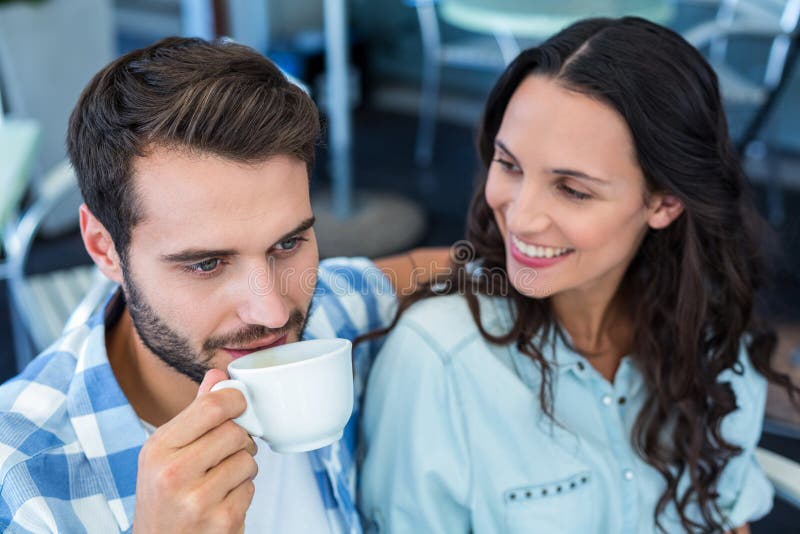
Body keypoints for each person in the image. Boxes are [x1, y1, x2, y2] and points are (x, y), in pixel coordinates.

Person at [359, 17, 800, 534]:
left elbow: (725, 519)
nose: (520, 218)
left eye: (572, 189)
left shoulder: (707, 328)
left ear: (665, 201)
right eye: (510, 164)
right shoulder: (438, 362)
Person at [0, 37, 446, 533]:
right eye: (208, 264)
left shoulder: (327, 314)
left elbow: (437, 268)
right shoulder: (21, 483)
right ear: (105, 249)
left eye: (287, 244)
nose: (273, 313)